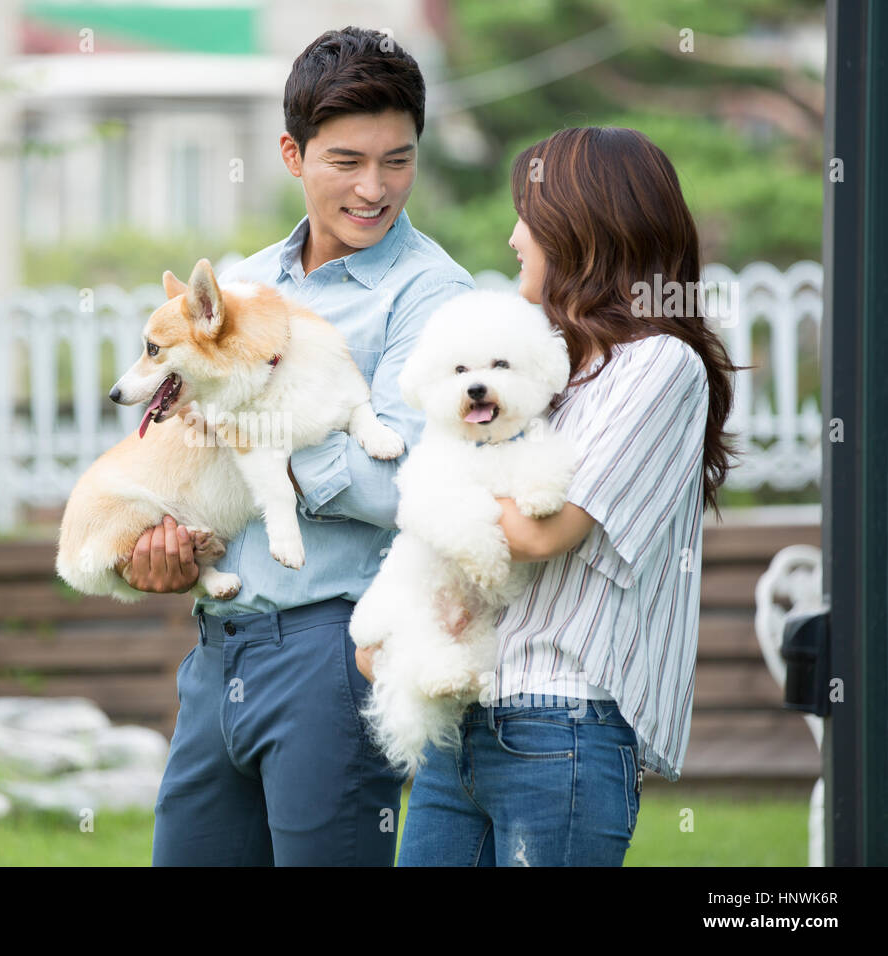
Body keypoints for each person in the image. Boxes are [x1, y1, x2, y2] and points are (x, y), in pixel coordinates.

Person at [121, 26, 474, 866]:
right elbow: (180, 452)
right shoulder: (239, 287)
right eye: (347, 160)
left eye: (398, 159)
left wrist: (259, 439)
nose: (374, 188)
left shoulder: (430, 297)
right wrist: (158, 548)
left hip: (335, 653)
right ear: (291, 152)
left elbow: (403, 488)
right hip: (216, 652)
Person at [356, 126, 741, 866]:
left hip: (560, 727)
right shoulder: (545, 372)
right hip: (462, 719)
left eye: (526, 218)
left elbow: (539, 534)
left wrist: (438, 488)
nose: (511, 237)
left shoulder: (657, 367)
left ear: (581, 225)